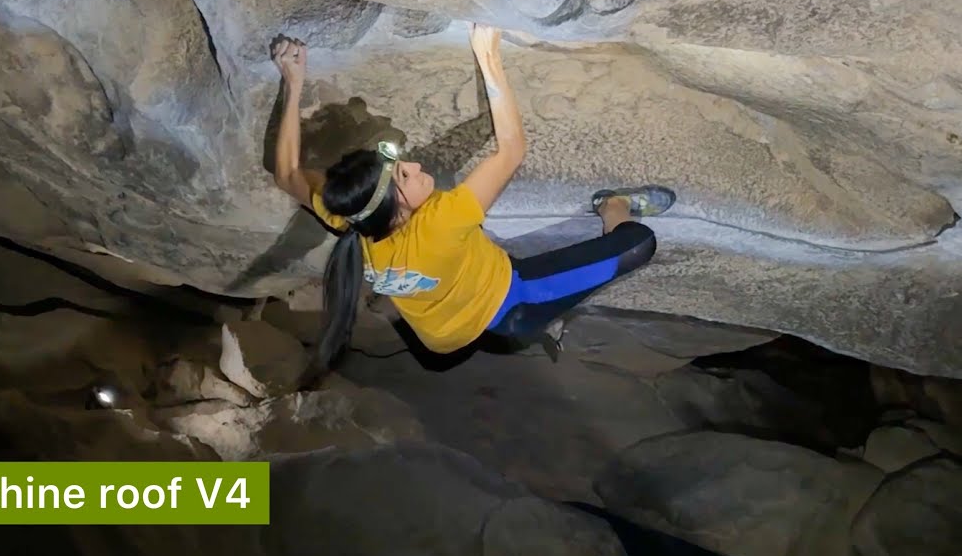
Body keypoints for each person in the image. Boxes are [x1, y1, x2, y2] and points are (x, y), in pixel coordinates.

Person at [270, 24, 675, 388]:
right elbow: (511, 151)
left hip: (442, 341)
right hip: (515, 302)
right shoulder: (441, 222)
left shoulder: (355, 225)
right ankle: (612, 204)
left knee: (443, 356)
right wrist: (488, 55)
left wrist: (292, 81)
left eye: (397, 163)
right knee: (638, 245)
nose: (414, 164)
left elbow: (287, 173)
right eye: (404, 177)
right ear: (399, 210)